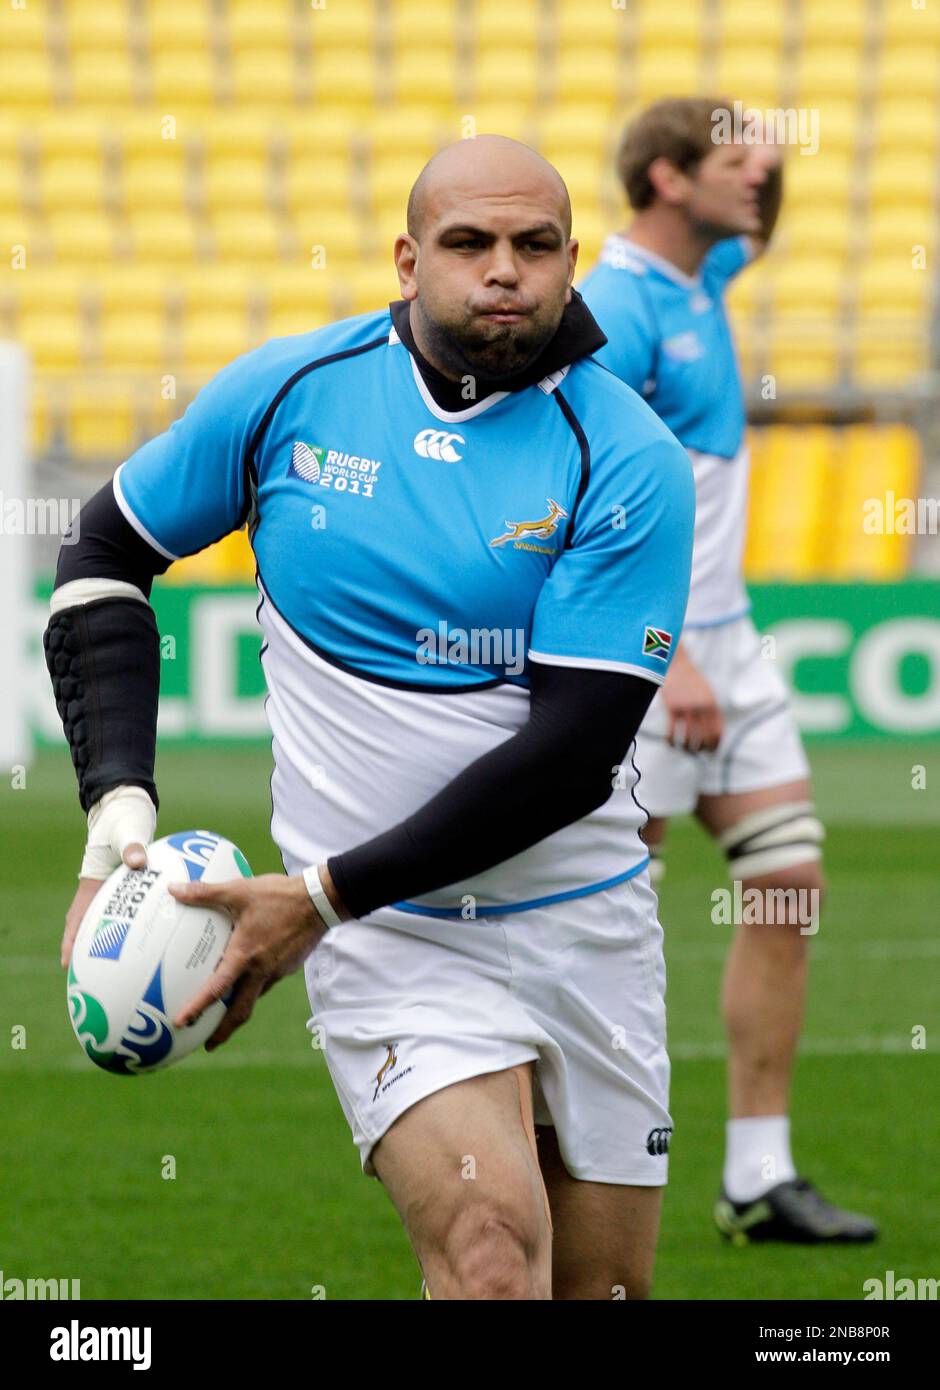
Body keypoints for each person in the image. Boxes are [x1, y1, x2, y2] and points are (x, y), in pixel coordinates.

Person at [45, 135, 695, 1299]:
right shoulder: (289, 393)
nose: (505, 270)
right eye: (469, 244)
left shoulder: (626, 453)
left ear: (570, 261)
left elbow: (572, 758)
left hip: (579, 920)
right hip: (394, 937)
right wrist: (117, 818)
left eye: (534, 246)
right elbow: (102, 557)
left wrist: (318, 896)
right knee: (493, 1256)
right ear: (407, 259)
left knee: (604, 1293)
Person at [579, 98, 876, 1245]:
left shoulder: (700, 274)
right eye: (733, 166)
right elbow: (594, 498)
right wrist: (669, 657)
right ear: (665, 178)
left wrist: (765, 144)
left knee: (787, 886)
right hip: (653, 652)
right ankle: (588, 1164)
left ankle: (757, 1176)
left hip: (731, 645)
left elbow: (767, 220)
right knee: (609, 919)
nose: (759, 184)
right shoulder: (617, 307)